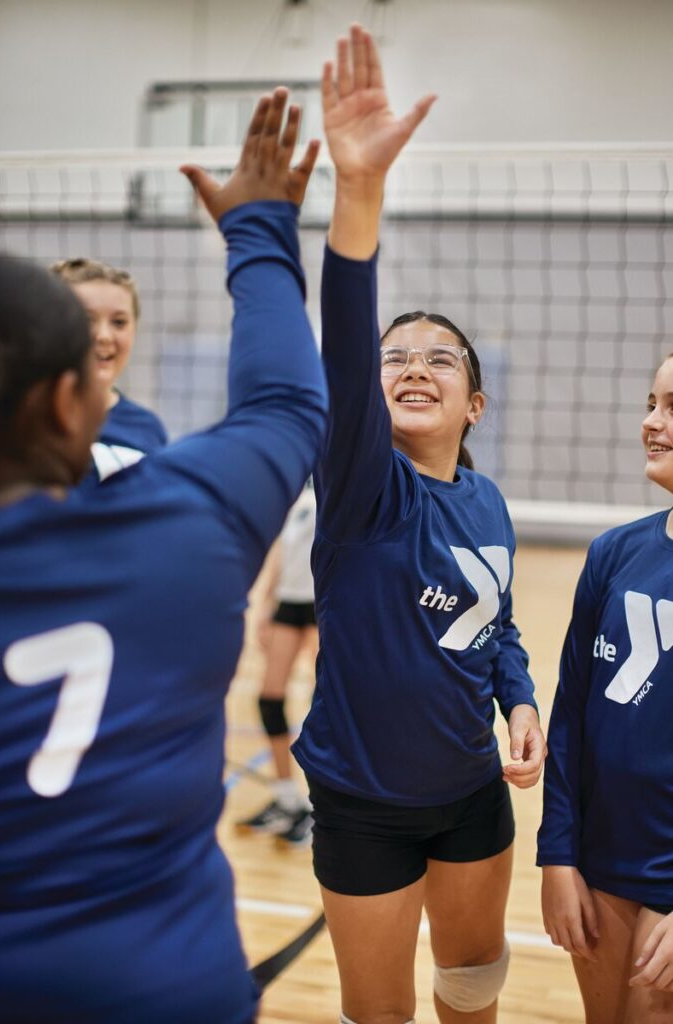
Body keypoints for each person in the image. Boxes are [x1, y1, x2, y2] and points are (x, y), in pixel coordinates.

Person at [0, 89, 326, 1024]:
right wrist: (260, 230)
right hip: (169, 981)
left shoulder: (171, 481)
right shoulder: (190, 523)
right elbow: (287, 407)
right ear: (64, 403)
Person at [291, 26, 546, 1024]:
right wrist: (358, 195)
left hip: (472, 795)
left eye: (441, 358)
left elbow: (497, 625)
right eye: (400, 355)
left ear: (474, 403)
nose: (413, 365)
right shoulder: (362, 484)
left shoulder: (483, 501)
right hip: (361, 805)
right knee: (379, 1015)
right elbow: (347, 346)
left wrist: (519, 699)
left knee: (470, 991)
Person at [538, 352, 673, 1023]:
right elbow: (567, 718)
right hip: (600, 859)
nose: (652, 422)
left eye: (672, 407)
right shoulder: (614, 553)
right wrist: (557, 856)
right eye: (650, 403)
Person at [237, 478, 317, 846]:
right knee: (269, 698)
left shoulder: (337, 491)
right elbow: (282, 552)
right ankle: (288, 799)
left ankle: (326, 806)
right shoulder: (294, 499)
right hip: (289, 602)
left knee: (326, 706)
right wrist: (267, 604)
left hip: (321, 605)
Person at [52, 257, 167, 480]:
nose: (104, 336)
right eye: (86, 319)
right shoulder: (19, 418)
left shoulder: (146, 427)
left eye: (119, 322)